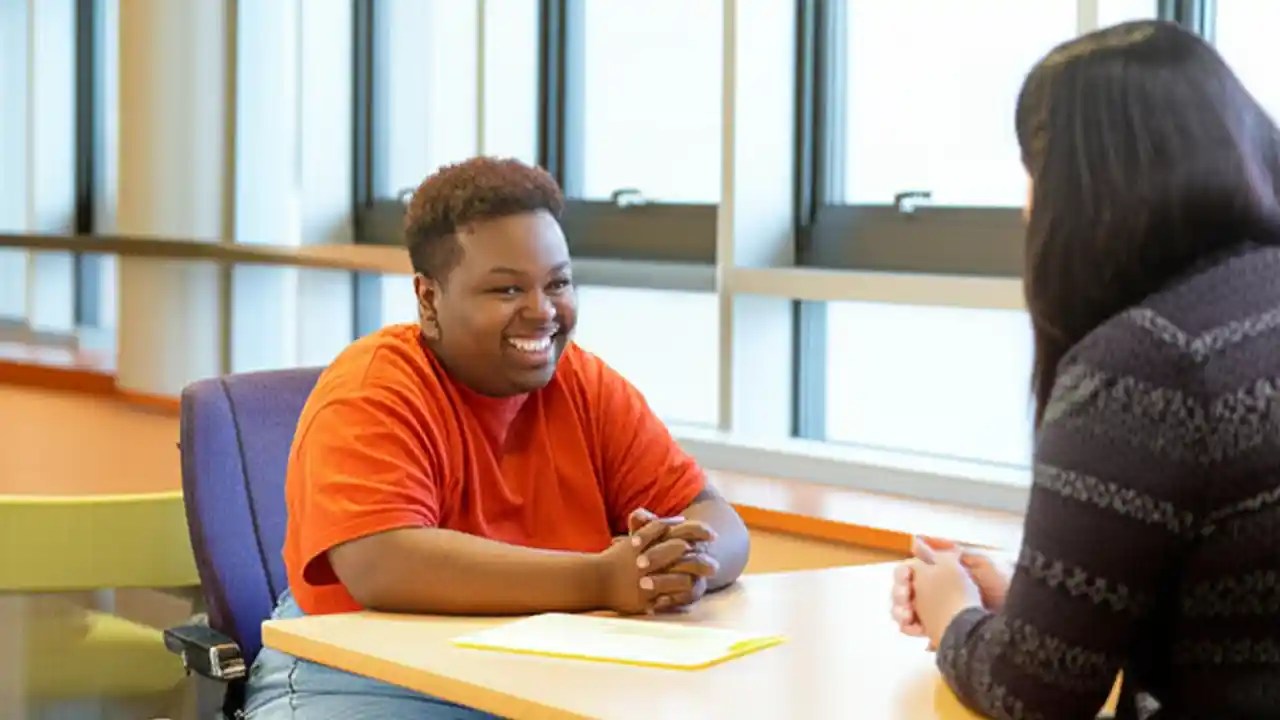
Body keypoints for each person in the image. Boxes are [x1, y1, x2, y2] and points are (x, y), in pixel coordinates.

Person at [243, 156, 750, 719]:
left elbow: (716, 518)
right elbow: (383, 565)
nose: (542, 312)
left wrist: (683, 562)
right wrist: (605, 579)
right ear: (429, 299)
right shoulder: (372, 388)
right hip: (361, 673)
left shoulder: (584, 384)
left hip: (539, 673)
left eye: (557, 283)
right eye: (507, 290)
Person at [890, 20, 1280, 720]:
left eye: (1036, 175)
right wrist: (1047, 604)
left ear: (1091, 187)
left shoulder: (1147, 366)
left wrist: (953, 615)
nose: (1027, 208)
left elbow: (1036, 693)